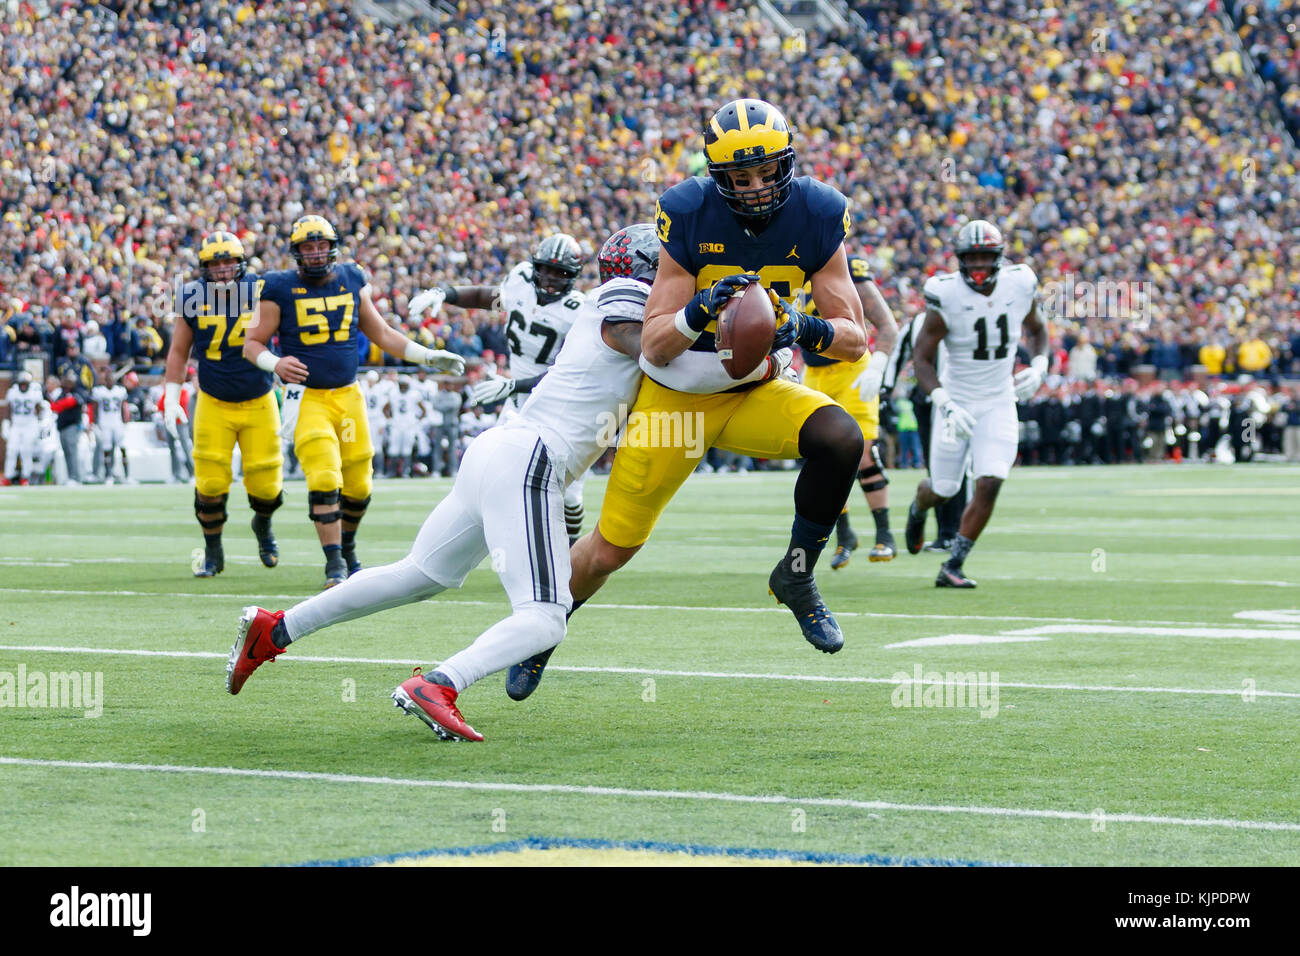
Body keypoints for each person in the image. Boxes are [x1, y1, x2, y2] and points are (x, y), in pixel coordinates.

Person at [227, 225, 702, 741]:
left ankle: (275, 629)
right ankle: (440, 684)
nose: (679, 281)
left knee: (417, 575)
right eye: (671, 271)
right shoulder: (625, 304)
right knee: (546, 616)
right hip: (531, 459)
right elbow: (664, 354)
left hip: (501, 450)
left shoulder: (595, 306)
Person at [507, 98, 867, 701]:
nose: (755, 188)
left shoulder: (819, 212)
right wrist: (701, 309)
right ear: (716, 177)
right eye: (739, 177)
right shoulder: (689, 212)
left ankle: (797, 576)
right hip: (675, 403)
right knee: (608, 551)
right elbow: (653, 343)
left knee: (841, 438)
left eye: (765, 172)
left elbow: (854, 340)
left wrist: (804, 328)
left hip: (753, 392)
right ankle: (541, 632)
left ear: (788, 164)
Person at [243, 215, 464, 588]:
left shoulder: (351, 278)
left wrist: (428, 356)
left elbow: (381, 332)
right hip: (308, 397)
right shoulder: (279, 288)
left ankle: (347, 546)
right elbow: (251, 344)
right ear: (297, 253)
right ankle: (334, 564)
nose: (315, 253)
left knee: (360, 485)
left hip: (348, 395)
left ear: (332, 247)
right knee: (324, 473)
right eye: (307, 247)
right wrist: (276, 362)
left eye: (320, 245)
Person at [411, 233, 589, 543]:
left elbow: (567, 373)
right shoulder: (520, 279)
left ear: (573, 277)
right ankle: (513, 541)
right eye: (546, 269)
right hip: (518, 402)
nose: (551, 278)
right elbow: (487, 297)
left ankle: (572, 558)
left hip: (561, 406)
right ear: (535, 267)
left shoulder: (579, 310)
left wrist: (512, 384)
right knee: (498, 469)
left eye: (561, 273)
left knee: (568, 497)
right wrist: (445, 293)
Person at [902, 220, 1048, 587]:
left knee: (991, 480)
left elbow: (1038, 329)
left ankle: (953, 565)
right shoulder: (945, 293)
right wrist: (944, 401)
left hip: (999, 399)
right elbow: (922, 357)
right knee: (944, 488)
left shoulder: (1020, 283)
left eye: (986, 256)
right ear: (960, 259)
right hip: (957, 400)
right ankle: (919, 506)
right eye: (973, 257)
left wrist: (1041, 364)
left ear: (999, 258)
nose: (979, 265)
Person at [162, 231, 284, 577]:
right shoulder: (190, 295)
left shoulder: (262, 290)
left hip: (259, 398)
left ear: (241, 262)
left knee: (266, 484)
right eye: (215, 263)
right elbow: (178, 351)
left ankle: (262, 525)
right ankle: (213, 552)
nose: (222, 269)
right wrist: (171, 397)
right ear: (204, 266)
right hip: (213, 400)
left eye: (229, 261)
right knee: (211, 483)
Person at [799, 254, 899, 569]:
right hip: (815, 373)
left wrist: (879, 365)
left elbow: (887, 326)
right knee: (823, 458)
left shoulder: (848, 267)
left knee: (863, 452)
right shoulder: (789, 269)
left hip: (852, 369)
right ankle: (844, 536)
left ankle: (885, 533)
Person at [885, 311, 967, 551]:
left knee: (967, 468)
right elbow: (897, 354)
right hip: (930, 401)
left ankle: (955, 532)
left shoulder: (964, 315)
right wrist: (884, 389)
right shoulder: (917, 324)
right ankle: (948, 532)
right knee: (941, 468)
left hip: (963, 398)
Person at [90, 366, 130, 484]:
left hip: (117, 422)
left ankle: (127, 476)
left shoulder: (120, 390)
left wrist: (124, 421)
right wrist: (95, 423)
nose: (110, 381)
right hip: (105, 423)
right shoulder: (99, 391)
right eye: (108, 379)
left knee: (123, 448)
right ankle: (108, 475)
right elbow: (95, 408)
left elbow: (123, 406)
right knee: (106, 450)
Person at [2, 371, 42, 485]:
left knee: (26, 451)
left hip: (30, 425)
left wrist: (39, 423)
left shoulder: (35, 393)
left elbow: (39, 409)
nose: (23, 386)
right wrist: (6, 423)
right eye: (21, 383)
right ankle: (8, 476)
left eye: (25, 383)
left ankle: (25, 476)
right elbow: (9, 408)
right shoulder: (13, 392)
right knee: (11, 450)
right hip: (16, 425)